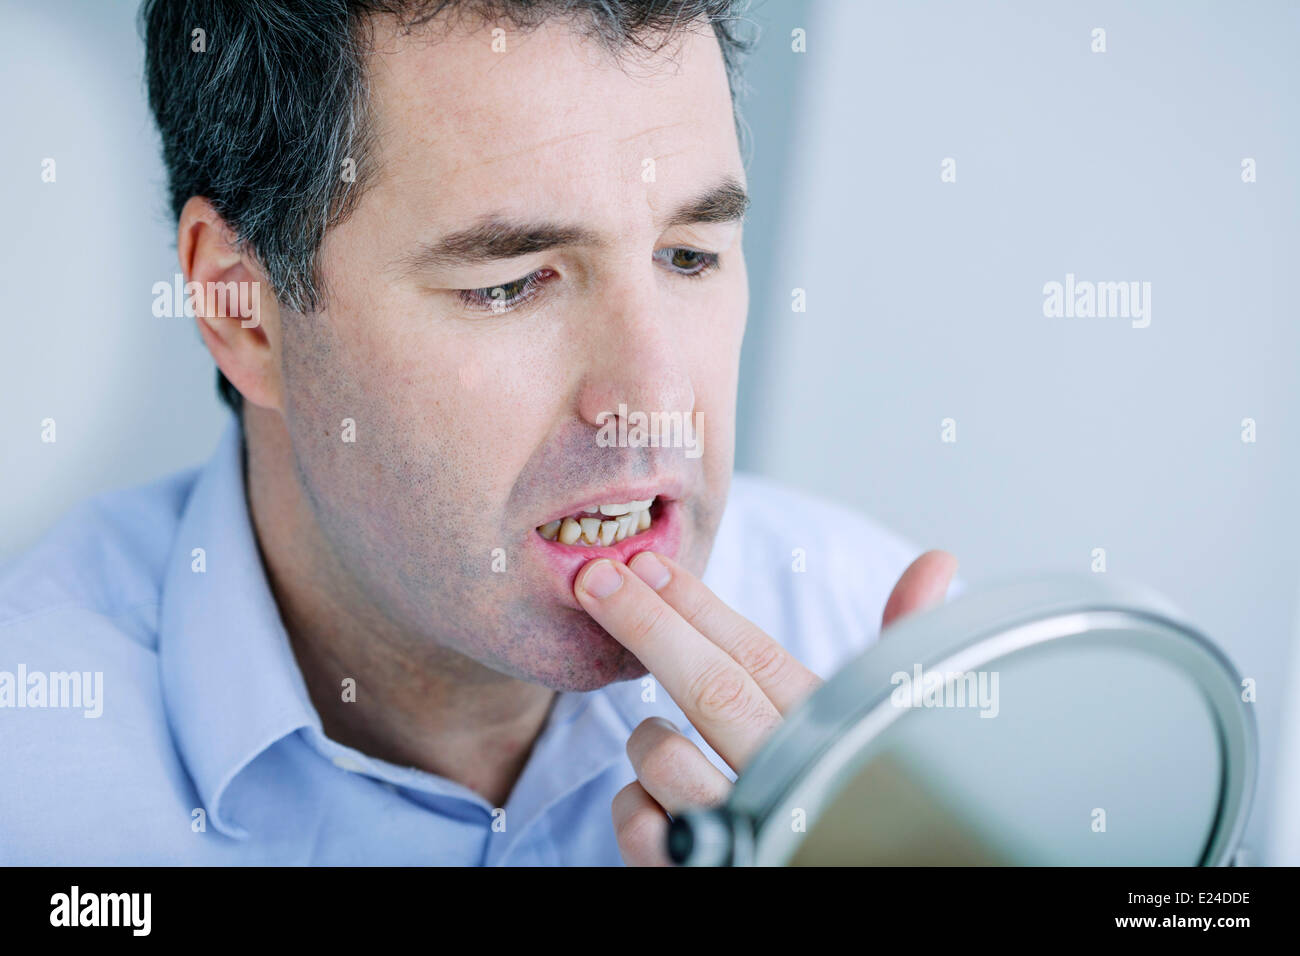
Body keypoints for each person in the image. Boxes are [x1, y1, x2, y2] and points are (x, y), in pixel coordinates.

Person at [0, 0, 957, 865]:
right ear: (242, 307)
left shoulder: (889, 682)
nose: (654, 399)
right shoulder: (34, 783)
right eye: (507, 283)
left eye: (690, 256)